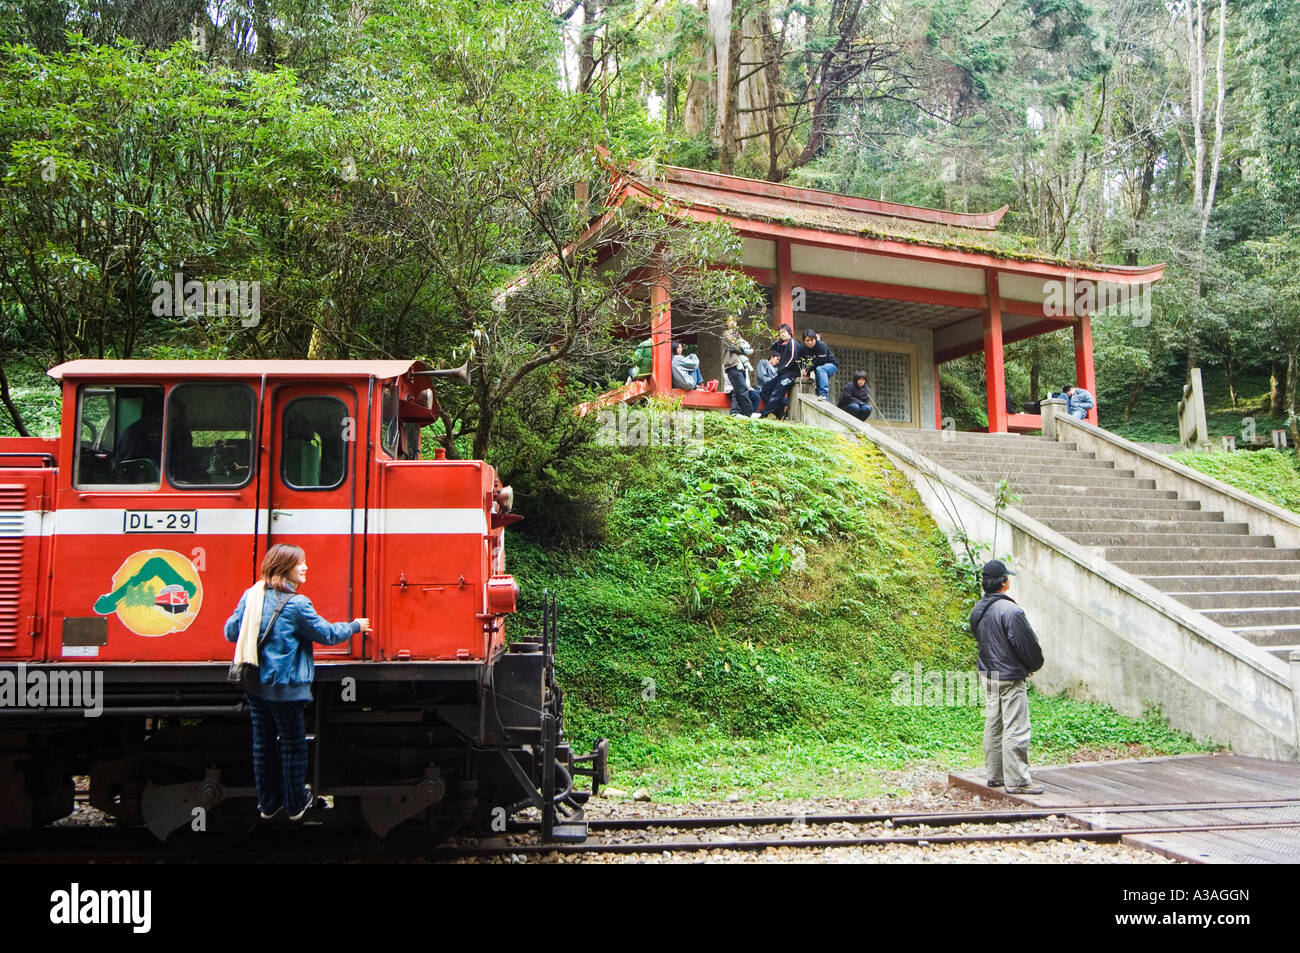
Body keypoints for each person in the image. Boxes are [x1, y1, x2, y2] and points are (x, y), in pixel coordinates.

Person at [225, 543, 372, 820]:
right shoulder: (296, 604)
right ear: (285, 568)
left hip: (254, 682)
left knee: (263, 743)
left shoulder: (251, 596)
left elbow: (231, 632)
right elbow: (327, 634)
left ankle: (268, 805)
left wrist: (248, 614)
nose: (305, 568)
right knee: (292, 744)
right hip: (286, 688)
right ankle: (294, 805)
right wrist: (355, 626)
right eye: (300, 564)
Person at [969, 559, 1045, 795]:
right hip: (1010, 676)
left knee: (993, 723)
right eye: (1007, 577)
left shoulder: (978, 610)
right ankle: (1018, 781)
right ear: (1004, 583)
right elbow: (1028, 646)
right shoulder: (1011, 611)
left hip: (989, 674)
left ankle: (995, 776)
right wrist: (1031, 665)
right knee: (1015, 727)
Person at [756, 324, 799, 419]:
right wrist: (779, 339)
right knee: (766, 389)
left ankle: (764, 414)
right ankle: (780, 412)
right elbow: (773, 347)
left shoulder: (792, 343)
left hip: (790, 374)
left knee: (777, 394)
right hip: (782, 374)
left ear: (789, 332)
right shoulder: (784, 344)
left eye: (784, 332)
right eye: (780, 333)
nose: (782, 334)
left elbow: (793, 357)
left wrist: (784, 368)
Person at [720, 316, 755, 416]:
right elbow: (733, 346)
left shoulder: (737, 334)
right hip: (732, 364)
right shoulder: (726, 334)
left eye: (734, 320)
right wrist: (743, 349)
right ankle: (749, 412)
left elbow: (747, 346)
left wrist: (745, 348)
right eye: (730, 320)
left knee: (737, 390)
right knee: (742, 390)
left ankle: (735, 411)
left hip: (741, 365)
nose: (733, 322)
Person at [796, 329, 838, 401]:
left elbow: (821, 362)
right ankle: (823, 399)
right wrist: (805, 372)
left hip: (831, 365)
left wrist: (807, 370)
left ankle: (824, 394)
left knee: (820, 369)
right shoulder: (802, 348)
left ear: (815, 339)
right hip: (817, 368)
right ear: (804, 341)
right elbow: (801, 360)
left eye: (812, 340)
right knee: (818, 381)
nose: (810, 342)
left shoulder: (821, 345)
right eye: (807, 340)